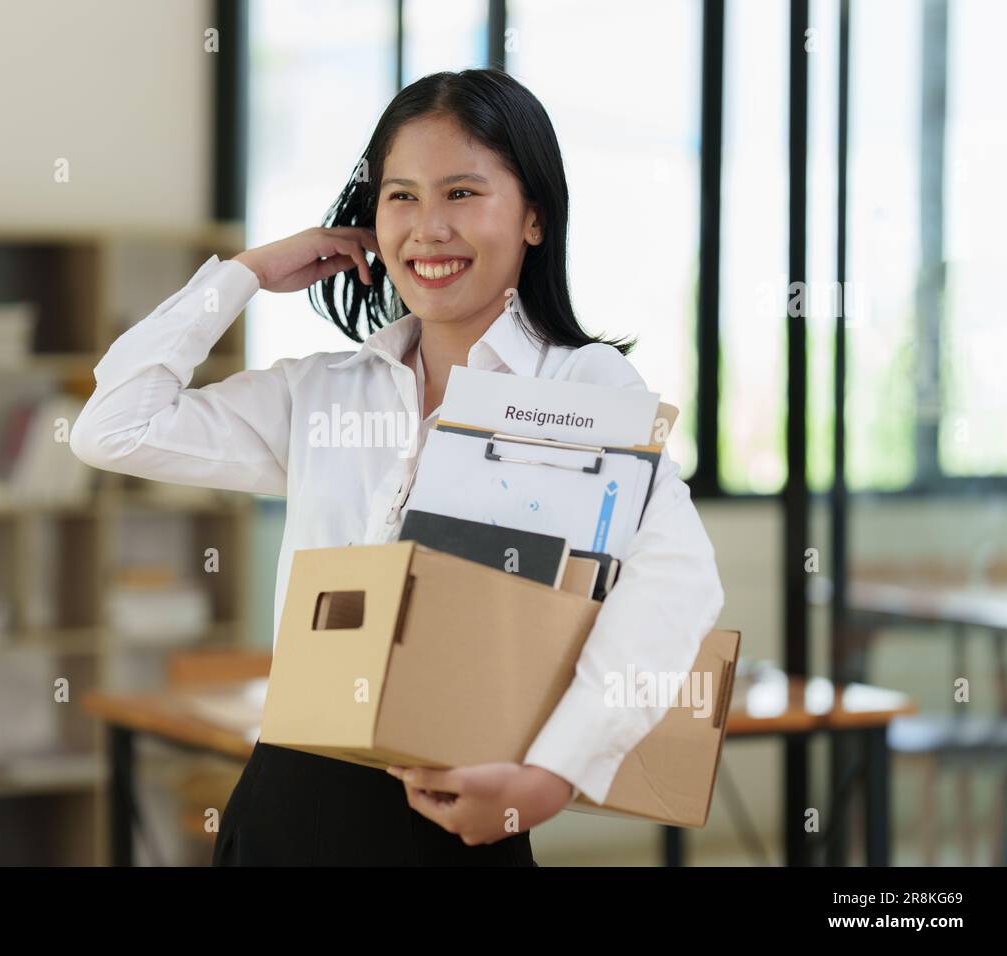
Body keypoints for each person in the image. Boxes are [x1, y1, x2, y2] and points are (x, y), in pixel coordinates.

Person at [70, 68, 724, 866]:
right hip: (287, 804)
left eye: (461, 193)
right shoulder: (322, 392)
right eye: (401, 196)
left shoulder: (583, 388)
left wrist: (554, 775)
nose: (427, 228)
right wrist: (242, 275)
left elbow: (678, 582)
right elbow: (112, 427)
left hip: (459, 814)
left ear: (534, 219)